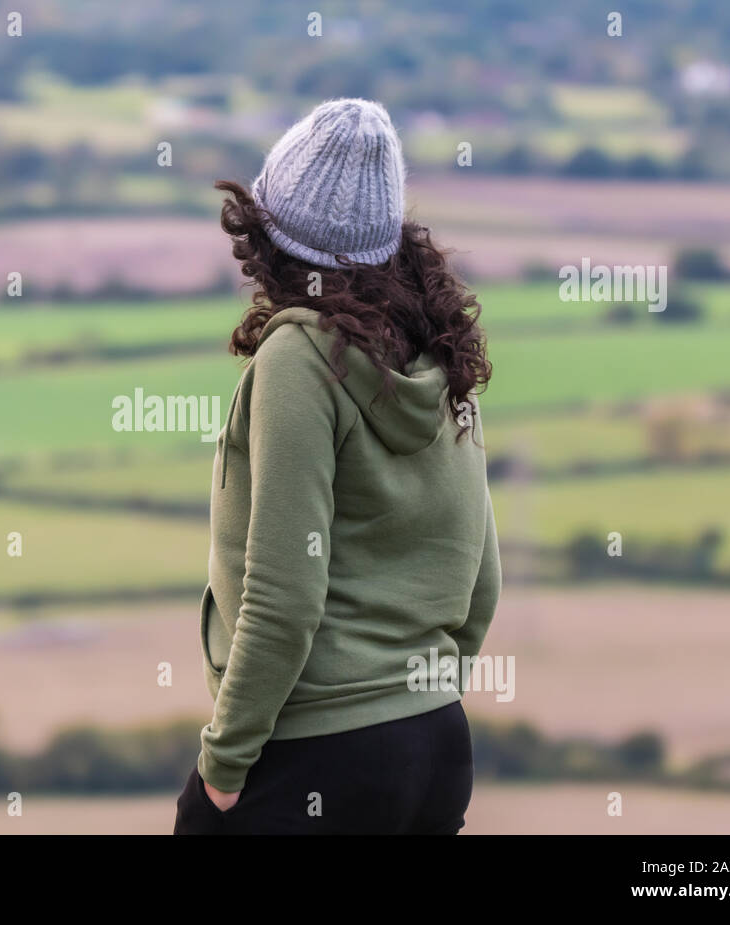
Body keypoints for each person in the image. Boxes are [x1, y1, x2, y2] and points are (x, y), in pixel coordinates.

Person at [174, 98, 500, 835]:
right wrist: (412, 708)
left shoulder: (299, 361)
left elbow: (285, 598)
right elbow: (483, 582)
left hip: (316, 756)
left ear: (271, 239)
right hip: (437, 750)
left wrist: (221, 772)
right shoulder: (441, 357)